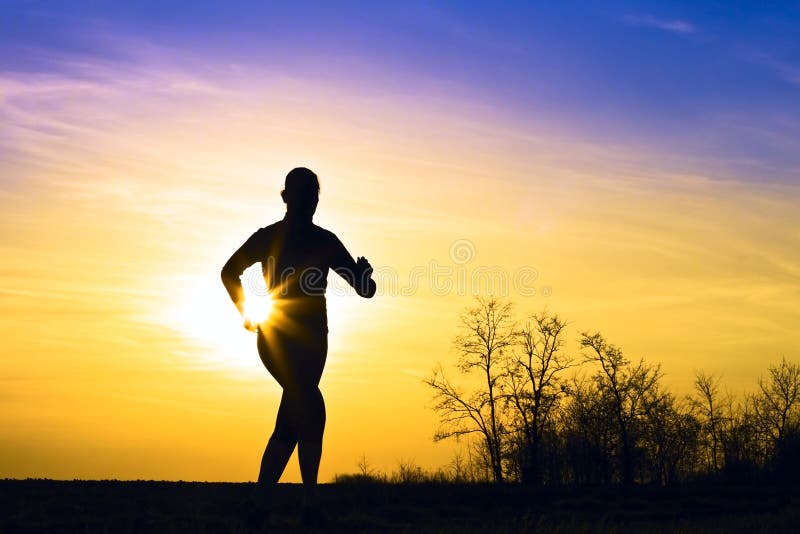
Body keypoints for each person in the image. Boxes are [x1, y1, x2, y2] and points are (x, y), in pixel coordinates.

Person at [220, 167, 376, 523]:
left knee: (296, 415)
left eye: (314, 196)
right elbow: (229, 272)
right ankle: (304, 503)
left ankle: (266, 504)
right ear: (287, 197)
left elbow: (364, 289)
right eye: (303, 195)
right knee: (309, 406)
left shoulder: (326, 241)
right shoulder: (268, 237)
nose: (310, 202)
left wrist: (366, 276)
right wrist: (246, 310)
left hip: (313, 342)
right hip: (276, 338)